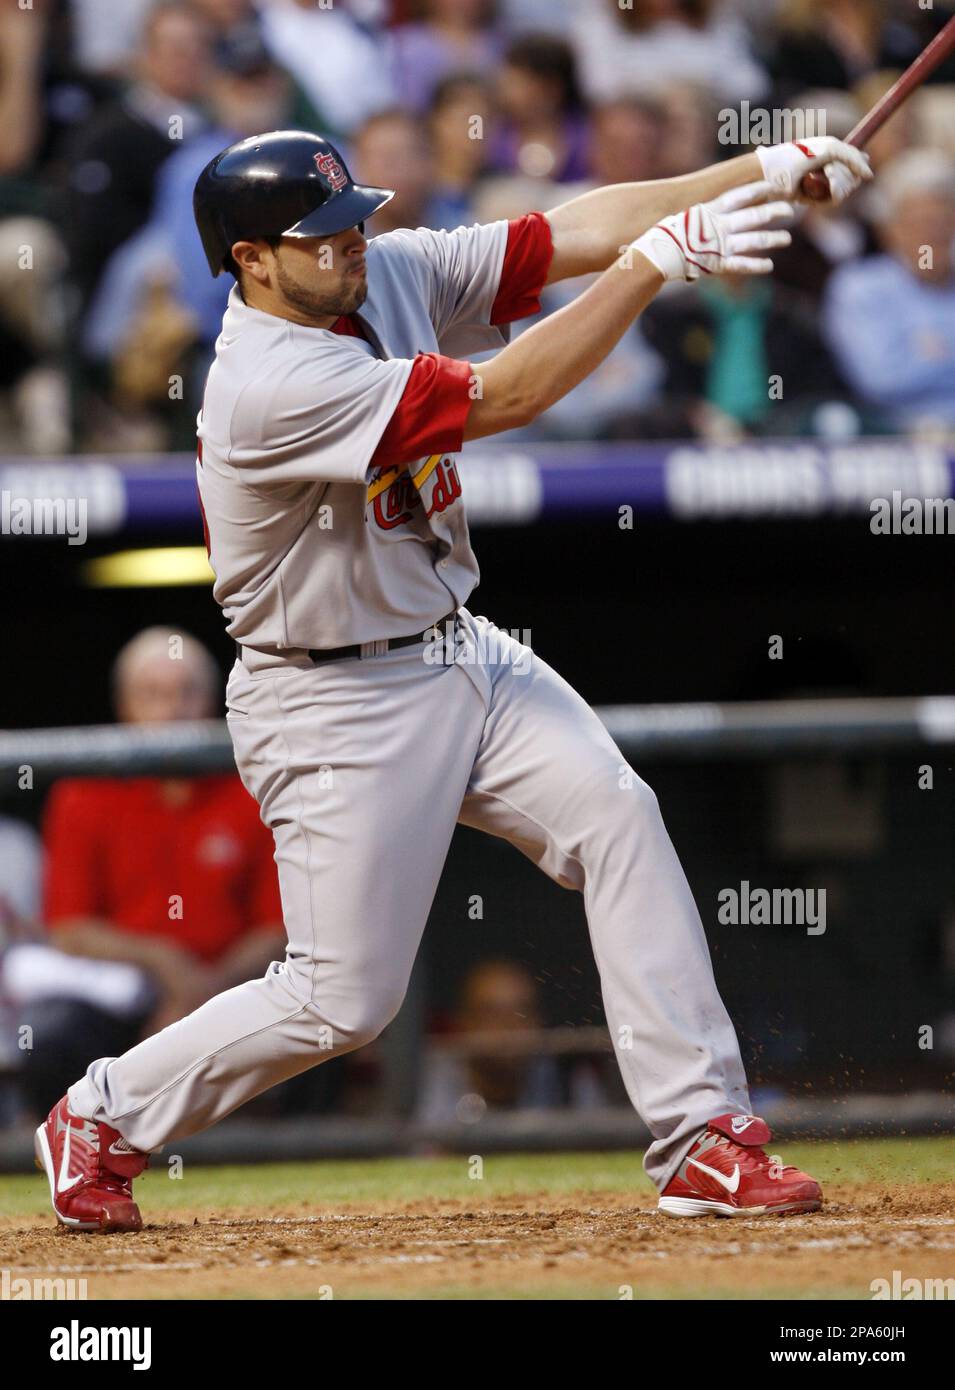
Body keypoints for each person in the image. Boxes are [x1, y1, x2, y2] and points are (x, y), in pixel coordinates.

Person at [34, 126, 871, 1232]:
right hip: (329, 695)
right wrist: (654, 270)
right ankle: (101, 1113)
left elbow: (570, 230)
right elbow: (505, 396)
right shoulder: (267, 380)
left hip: (454, 643)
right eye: (320, 235)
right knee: (342, 1000)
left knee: (619, 815)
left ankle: (700, 1136)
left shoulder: (382, 270)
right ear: (249, 258)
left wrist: (761, 171)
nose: (352, 246)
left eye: (354, 219)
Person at [21, 627, 284, 1118]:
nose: (171, 709)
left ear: (214, 702)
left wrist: (199, 994)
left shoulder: (252, 789)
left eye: (186, 692)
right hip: (124, 993)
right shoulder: (84, 793)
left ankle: (280, 1164)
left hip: (233, 990)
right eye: (153, 695)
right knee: (48, 1033)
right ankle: (78, 1151)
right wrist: (163, 964)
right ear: (125, 706)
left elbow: (278, 928)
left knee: (320, 1025)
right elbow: (69, 929)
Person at [822, 150, 955, 433]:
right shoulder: (860, 287)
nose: (935, 237)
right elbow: (880, 380)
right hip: (896, 438)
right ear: (891, 230)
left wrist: (935, 351)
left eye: (945, 224)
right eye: (923, 225)